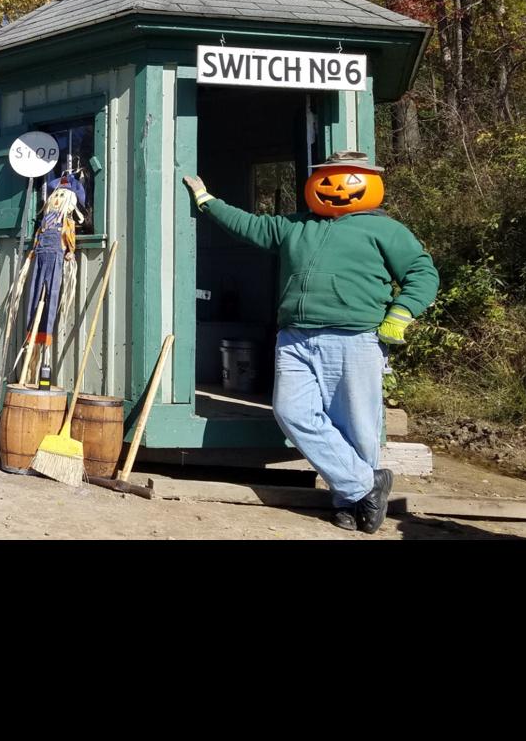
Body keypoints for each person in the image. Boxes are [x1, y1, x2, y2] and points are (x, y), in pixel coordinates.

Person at [184, 151, 438, 534]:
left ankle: (350, 503)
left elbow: (422, 273)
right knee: (292, 413)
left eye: (347, 179)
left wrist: (401, 314)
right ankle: (365, 486)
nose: (335, 187)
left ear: (370, 183)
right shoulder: (295, 226)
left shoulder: (385, 230)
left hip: (355, 338)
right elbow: (249, 225)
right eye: (326, 179)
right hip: (295, 337)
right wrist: (208, 201)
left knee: (358, 426)